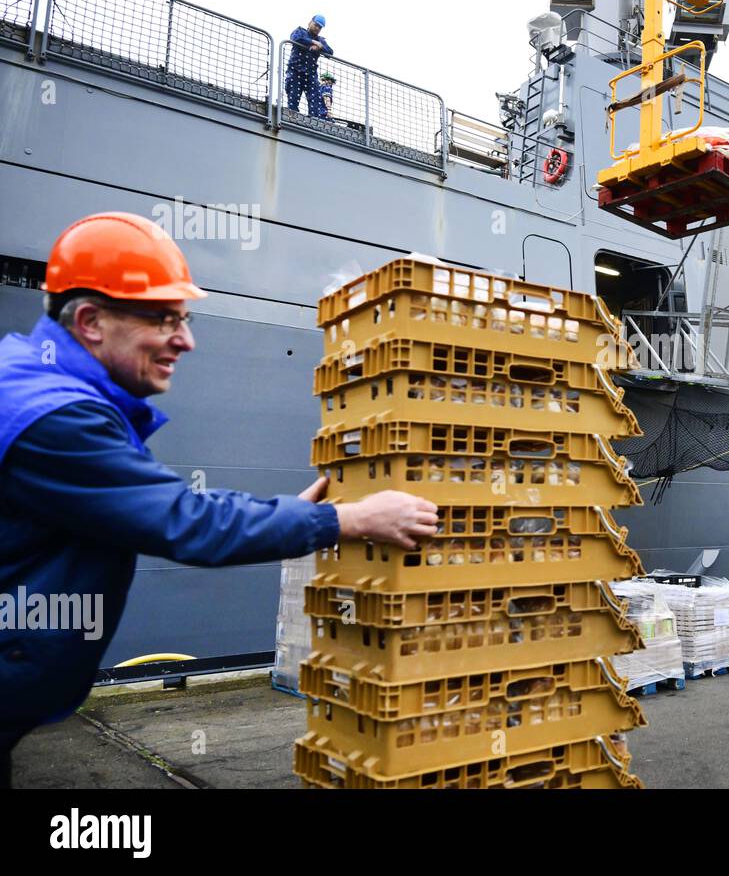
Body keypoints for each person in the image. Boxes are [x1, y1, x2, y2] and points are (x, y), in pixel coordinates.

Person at [0, 212, 439, 787]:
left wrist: (308, 514)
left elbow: (165, 506)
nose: (185, 340)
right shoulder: (57, 415)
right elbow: (188, 523)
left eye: (183, 319)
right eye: (164, 319)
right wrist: (348, 518)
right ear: (90, 321)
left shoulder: (30, 382)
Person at [285, 14, 334, 119]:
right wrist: (312, 42)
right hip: (295, 71)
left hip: (310, 74)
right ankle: (292, 119)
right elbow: (295, 38)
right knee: (293, 99)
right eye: (316, 25)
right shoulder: (300, 31)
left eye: (320, 27)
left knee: (314, 100)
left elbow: (330, 52)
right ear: (310, 22)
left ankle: (314, 121)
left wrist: (319, 47)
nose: (317, 28)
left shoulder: (321, 40)